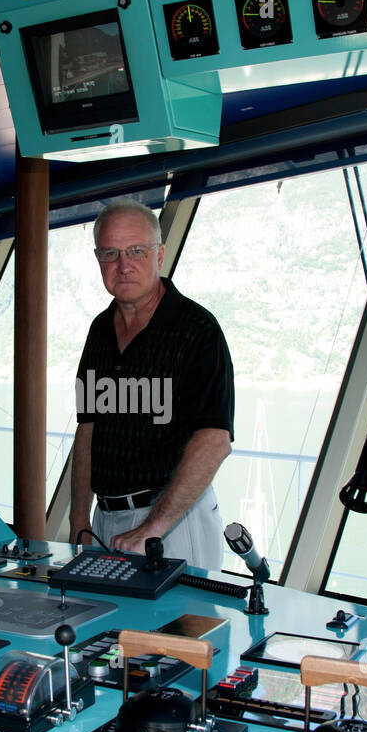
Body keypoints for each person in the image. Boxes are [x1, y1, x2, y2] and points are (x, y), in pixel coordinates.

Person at [70, 199, 235, 571]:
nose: (123, 265)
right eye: (111, 253)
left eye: (136, 251)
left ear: (159, 254)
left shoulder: (197, 331)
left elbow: (214, 441)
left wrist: (152, 529)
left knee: (175, 631)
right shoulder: (99, 331)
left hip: (174, 524)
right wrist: (78, 519)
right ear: (98, 258)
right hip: (105, 522)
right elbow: (88, 429)